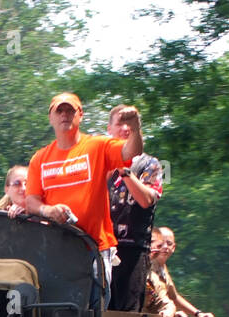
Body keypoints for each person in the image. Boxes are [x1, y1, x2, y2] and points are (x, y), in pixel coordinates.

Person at [24, 94, 144, 299]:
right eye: (59, 111)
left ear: (80, 115)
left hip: (94, 248)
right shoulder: (40, 158)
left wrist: (135, 128)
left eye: (70, 110)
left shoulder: (98, 145)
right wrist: (48, 210)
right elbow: (31, 201)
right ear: (50, 117)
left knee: (93, 311)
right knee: (56, 309)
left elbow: (131, 152)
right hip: (56, 250)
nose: (65, 115)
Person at [107, 105, 164, 312]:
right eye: (120, 123)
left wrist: (124, 170)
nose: (125, 128)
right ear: (109, 129)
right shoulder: (100, 163)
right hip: (100, 249)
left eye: (130, 124)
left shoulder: (150, 164)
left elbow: (146, 200)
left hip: (132, 250)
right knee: (96, 315)